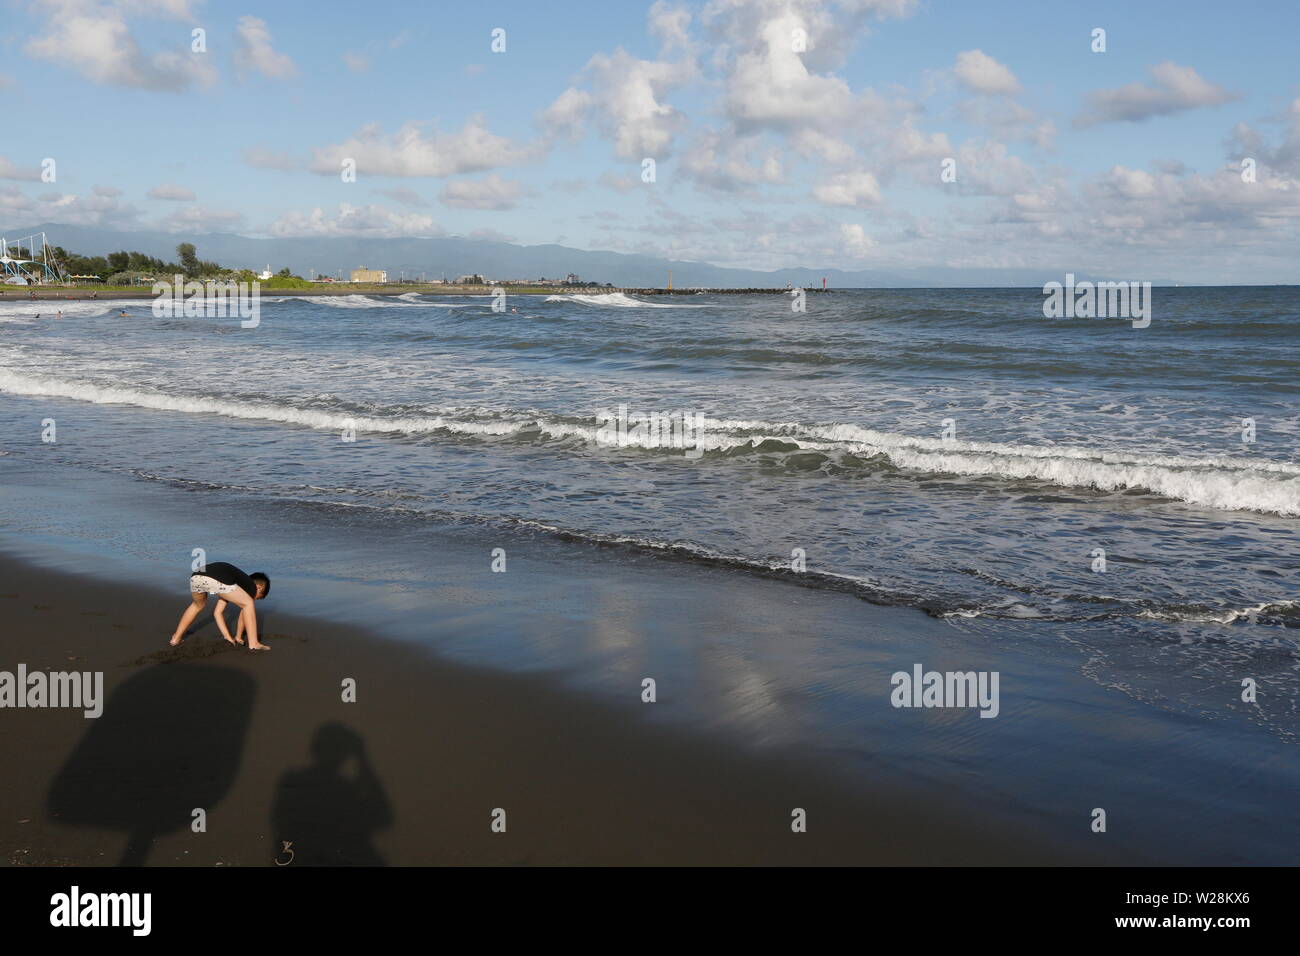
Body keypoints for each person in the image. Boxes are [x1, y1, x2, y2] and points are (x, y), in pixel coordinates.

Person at [169, 561, 272, 650]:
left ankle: (176, 638)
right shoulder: (251, 586)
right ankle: (254, 643)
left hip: (196, 576)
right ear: (259, 587)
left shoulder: (231, 587)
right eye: (258, 597)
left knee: (197, 605)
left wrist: (227, 635)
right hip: (216, 579)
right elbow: (244, 613)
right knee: (248, 604)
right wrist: (238, 636)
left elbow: (217, 613)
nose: (255, 599)